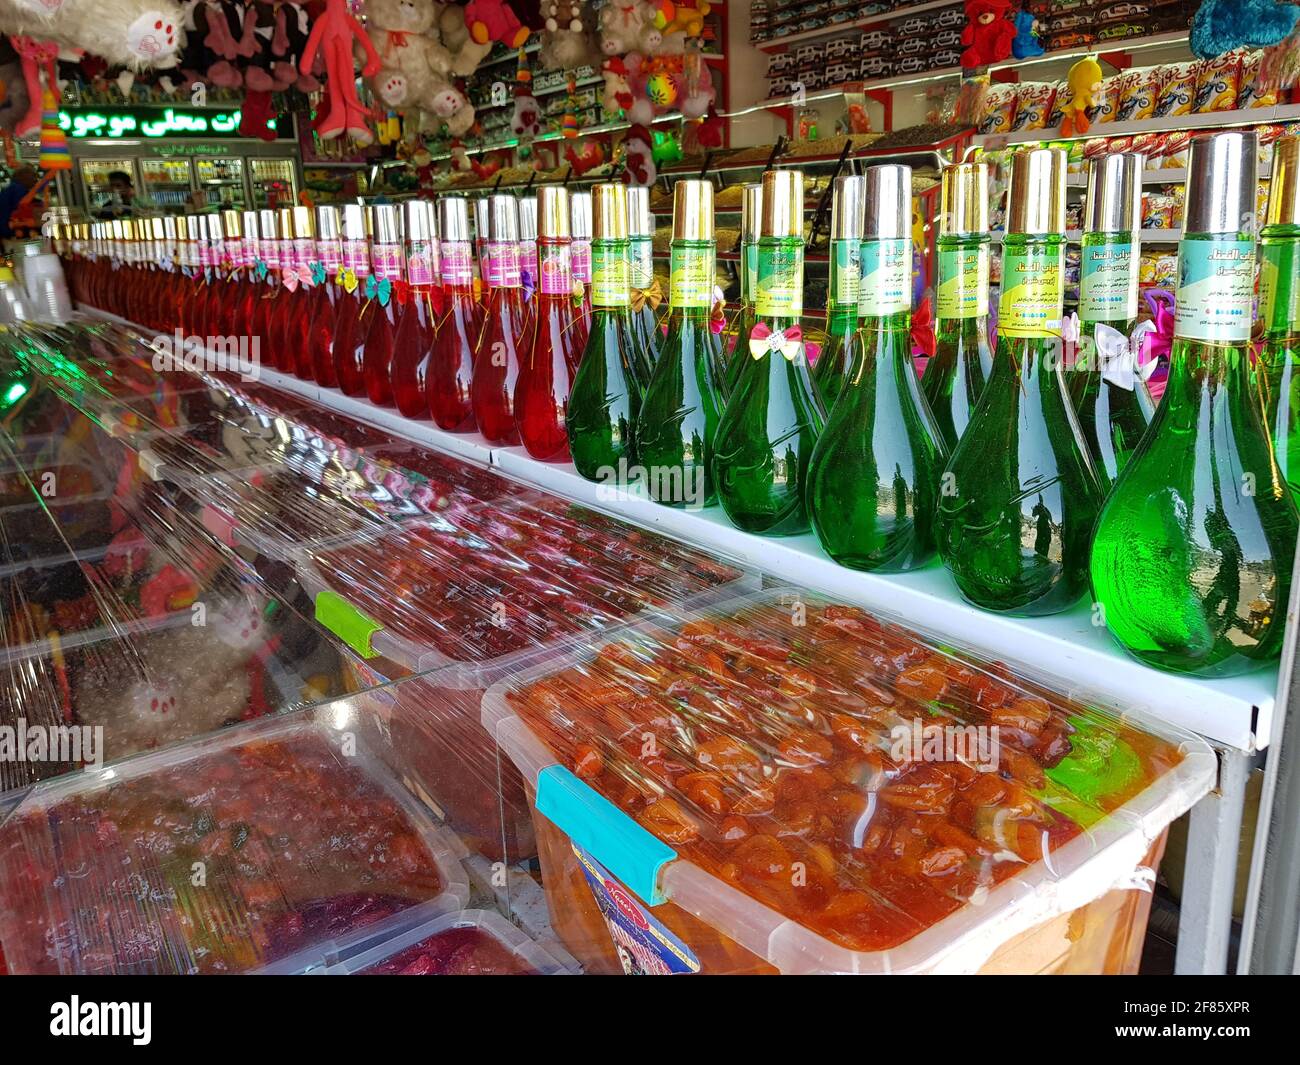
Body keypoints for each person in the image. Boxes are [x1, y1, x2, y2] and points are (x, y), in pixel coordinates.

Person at [0, 165, 38, 239]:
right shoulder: (19, 190)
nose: (36, 180)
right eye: (33, 176)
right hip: (11, 233)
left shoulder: (9, 189)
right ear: (25, 176)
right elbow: (20, 213)